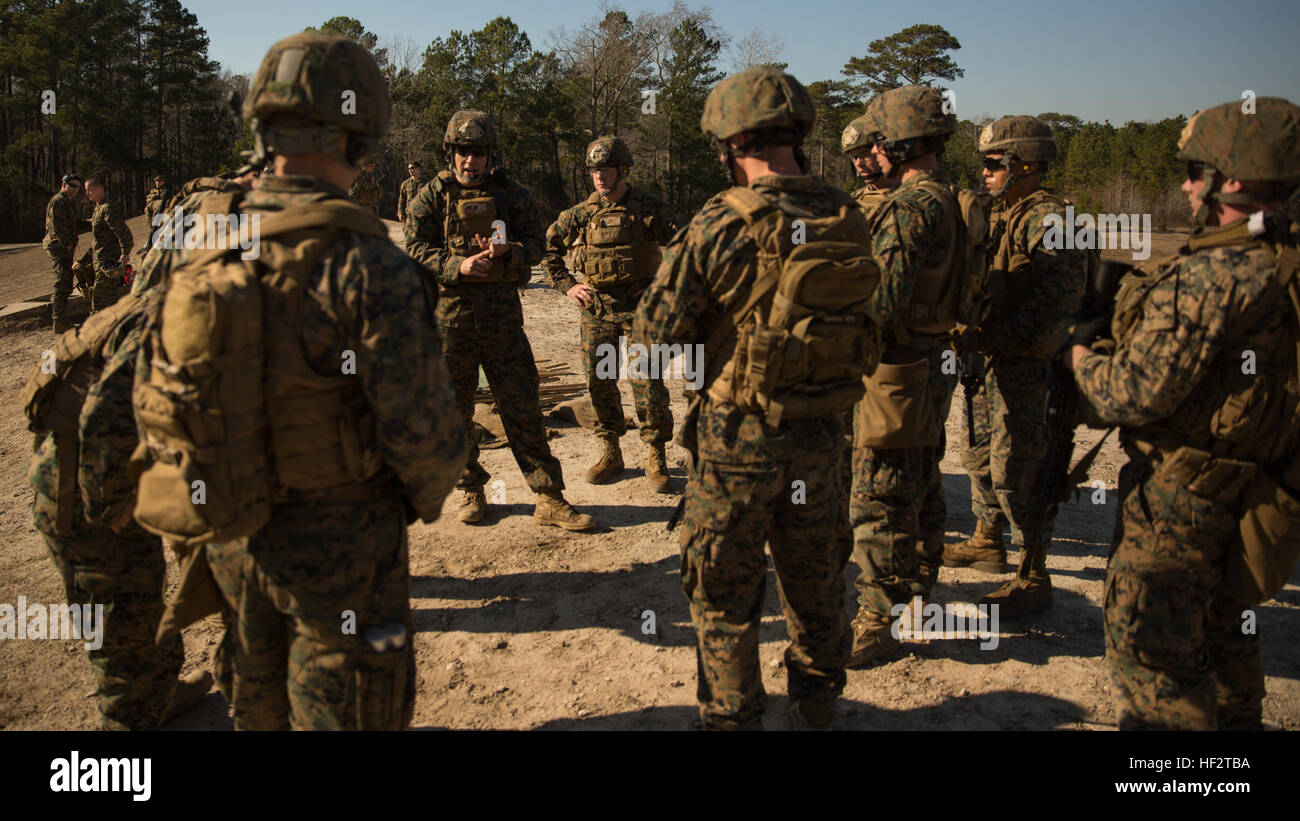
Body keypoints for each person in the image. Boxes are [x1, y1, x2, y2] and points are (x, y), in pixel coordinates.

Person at [174, 30, 468, 729]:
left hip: (231, 538)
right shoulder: (369, 264)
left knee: (257, 708)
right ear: (361, 130)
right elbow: (428, 446)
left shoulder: (197, 235)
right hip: (344, 556)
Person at [635, 66, 880, 730]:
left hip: (738, 443)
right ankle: (819, 702)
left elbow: (653, 338)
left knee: (723, 595)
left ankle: (733, 716)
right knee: (819, 582)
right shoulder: (848, 213)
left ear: (725, 141)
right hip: (827, 439)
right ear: (797, 131)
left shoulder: (721, 219)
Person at [1065, 97, 1300, 730]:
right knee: (1228, 655)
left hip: (1180, 504)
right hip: (1254, 490)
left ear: (1236, 179)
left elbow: (1129, 395)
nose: (1186, 185)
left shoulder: (1215, 275)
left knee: (1156, 670)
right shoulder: (1284, 262)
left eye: (1197, 170)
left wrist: (1084, 351)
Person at [405, 109, 594, 530]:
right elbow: (414, 247)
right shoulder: (432, 197)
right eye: (463, 152)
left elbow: (538, 244)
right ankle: (470, 487)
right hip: (450, 324)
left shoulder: (512, 195)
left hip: (502, 322)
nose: (470, 161)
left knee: (522, 407)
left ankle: (548, 496)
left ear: (491, 154)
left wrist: (509, 253)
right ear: (451, 152)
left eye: (478, 152)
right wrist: (457, 266)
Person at [943, 116, 1086, 618]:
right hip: (991, 359)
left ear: (1023, 164)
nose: (984, 171)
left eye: (992, 163)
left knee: (1021, 468)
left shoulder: (1052, 219)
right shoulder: (1003, 212)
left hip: (1028, 367)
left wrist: (998, 338)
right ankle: (987, 539)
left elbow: (1057, 304)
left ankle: (1034, 571)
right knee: (979, 452)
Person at [846, 85, 962, 666]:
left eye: (882, 137)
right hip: (934, 358)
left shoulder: (910, 206)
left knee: (878, 491)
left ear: (899, 141)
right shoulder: (951, 197)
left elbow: (880, 306)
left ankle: (877, 619)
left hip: (897, 366)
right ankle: (919, 590)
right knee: (922, 471)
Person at [543, 136, 679, 492]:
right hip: (597, 310)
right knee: (600, 384)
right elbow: (549, 249)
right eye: (594, 170)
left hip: (640, 312)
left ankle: (656, 454)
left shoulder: (649, 208)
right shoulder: (580, 214)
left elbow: (687, 247)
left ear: (623, 169)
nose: (599, 176)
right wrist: (568, 286)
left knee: (647, 385)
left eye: (605, 168)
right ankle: (611, 451)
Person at [42, 174, 88, 332]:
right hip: (59, 248)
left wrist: (92, 223)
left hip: (63, 248)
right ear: (64, 184)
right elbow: (57, 226)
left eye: (77, 187)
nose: (75, 189)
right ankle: (59, 320)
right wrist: (67, 243)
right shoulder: (59, 201)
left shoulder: (66, 201)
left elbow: (73, 224)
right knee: (62, 282)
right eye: (72, 185)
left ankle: (60, 319)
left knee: (65, 282)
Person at [83, 175, 133, 313]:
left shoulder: (107, 209)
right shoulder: (98, 208)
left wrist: (125, 253)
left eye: (89, 190)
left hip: (108, 261)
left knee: (99, 300)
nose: (87, 194)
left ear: (99, 189)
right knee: (108, 299)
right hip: (100, 260)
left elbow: (123, 233)